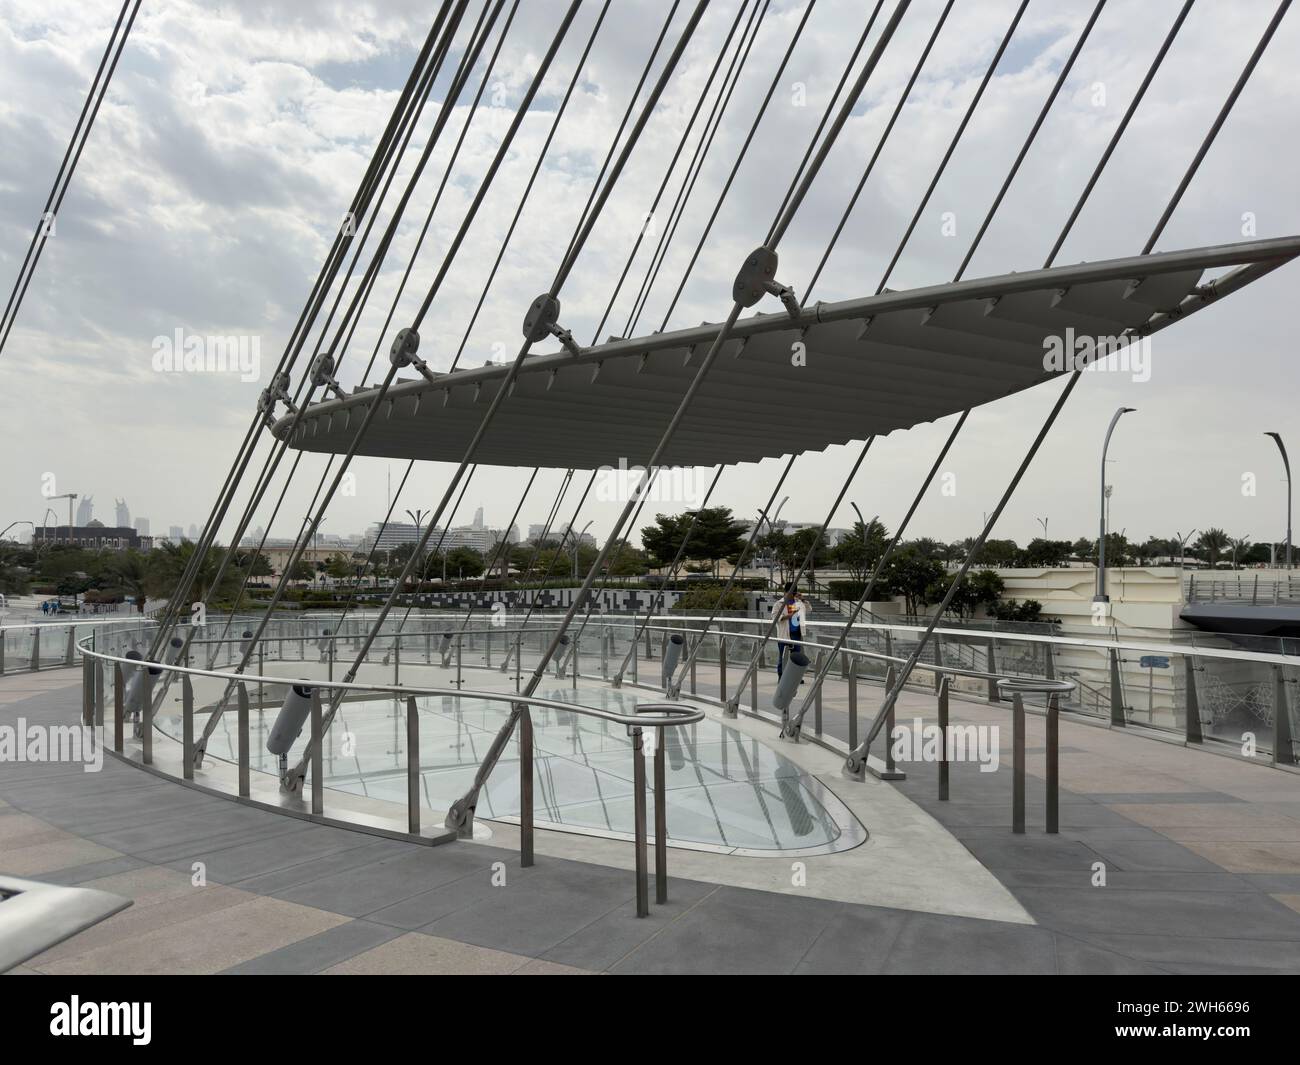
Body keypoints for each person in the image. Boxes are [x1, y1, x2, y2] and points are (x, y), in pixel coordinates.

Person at [771, 589, 807, 679]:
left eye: (794, 593)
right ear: (785, 592)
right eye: (790, 592)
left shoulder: (797, 602)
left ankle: (796, 677)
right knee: (783, 656)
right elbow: (775, 617)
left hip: (796, 633)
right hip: (784, 634)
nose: (792, 595)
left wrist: (803, 599)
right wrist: (789, 616)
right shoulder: (778, 604)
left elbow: (809, 609)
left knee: (796, 657)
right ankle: (781, 676)